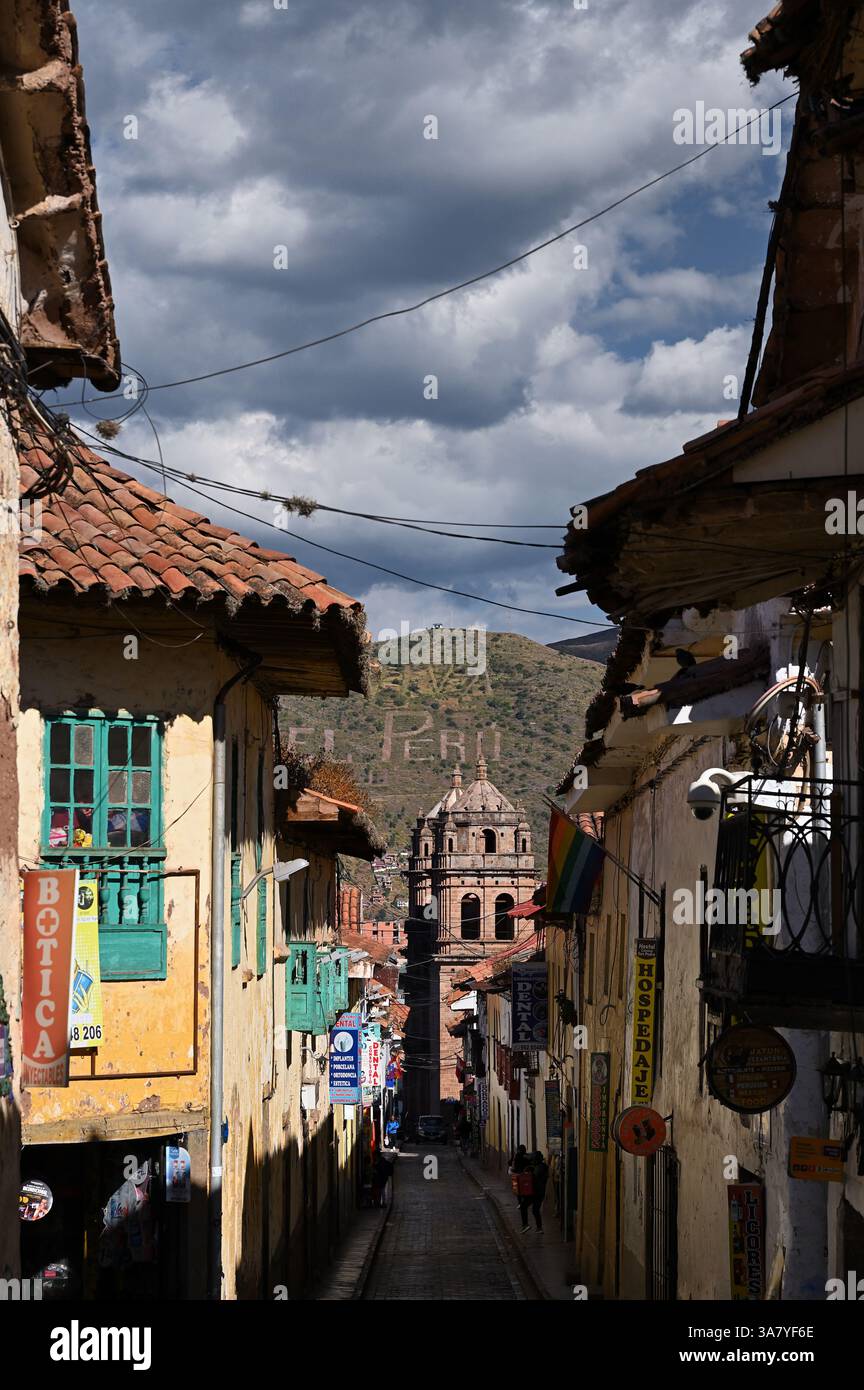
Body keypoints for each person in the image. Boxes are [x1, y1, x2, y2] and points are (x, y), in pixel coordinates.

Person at [530, 1151, 549, 1233]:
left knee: (535, 1210)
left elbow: (535, 1177)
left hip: (538, 1192)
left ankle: (539, 1228)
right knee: (535, 1209)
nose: (533, 1160)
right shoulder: (540, 1166)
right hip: (538, 1191)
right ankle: (539, 1227)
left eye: (534, 1159)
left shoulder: (540, 1167)